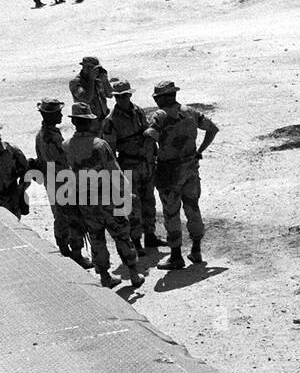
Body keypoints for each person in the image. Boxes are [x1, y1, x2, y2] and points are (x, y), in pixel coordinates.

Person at [65, 103, 144, 288]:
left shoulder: (66, 145)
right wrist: (126, 193)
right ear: (89, 122)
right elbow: (114, 171)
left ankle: (105, 277)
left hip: (86, 201)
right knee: (122, 235)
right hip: (108, 199)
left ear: (75, 122)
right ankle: (133, 274)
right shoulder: (100, 145)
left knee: (96, 238)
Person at [145, 80, 217, 269]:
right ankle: (196, 250)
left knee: (171, 213)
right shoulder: (190, 112)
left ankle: (176, 256)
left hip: (169, 171)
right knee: (193, 208)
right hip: (191, 168)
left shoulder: (159, 116)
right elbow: (212, 129)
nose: (157, 102)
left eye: (158, 98)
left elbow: (150, 137)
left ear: (164, 98)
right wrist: (199, 150)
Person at [102, 79, 163, 251]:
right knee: (133, 205)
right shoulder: (111, 121)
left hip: (145, 163)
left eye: (125, 95)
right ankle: (136, 240)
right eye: (119, 96)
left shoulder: (138, 111)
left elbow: (147, 134)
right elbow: (111, 151)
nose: (122, 99)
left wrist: (154, 154)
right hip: (128, 164)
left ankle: (150, 236)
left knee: (149, 200)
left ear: (129, 94)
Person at [33, 97, 89, 267]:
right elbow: (60, 163)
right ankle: (74, 254)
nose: (61, 114)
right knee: (71, 218)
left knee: (62, 217)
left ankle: (67, 251)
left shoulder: (47, 133)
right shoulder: (49, 137)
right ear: (47, 115)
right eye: (57, 112)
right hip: (61, 182)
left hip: (55, 181)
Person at [69, 55, 111, 131]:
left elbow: (110, 94)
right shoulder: (75, 82)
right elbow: (86, 99)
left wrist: (105, 81)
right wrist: (91, 80)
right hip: (88, 123)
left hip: (104, 120)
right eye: (93, 68)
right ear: (85, 68)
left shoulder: (98, 79)